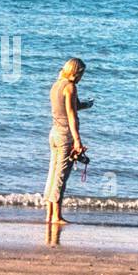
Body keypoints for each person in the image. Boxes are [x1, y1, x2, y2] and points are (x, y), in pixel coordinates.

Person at [43, 57, 89, 225]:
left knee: (52, 174)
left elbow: (67, 106)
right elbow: (71, 115)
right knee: (61, 176)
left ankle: (49, 214)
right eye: (81, 73)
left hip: (54, 133)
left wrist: (85, 105)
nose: (81, 77)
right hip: (64, 135)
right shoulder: (71, 87)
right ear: (75, 72)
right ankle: (57, 216)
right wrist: (77, 140)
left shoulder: (56, 85)